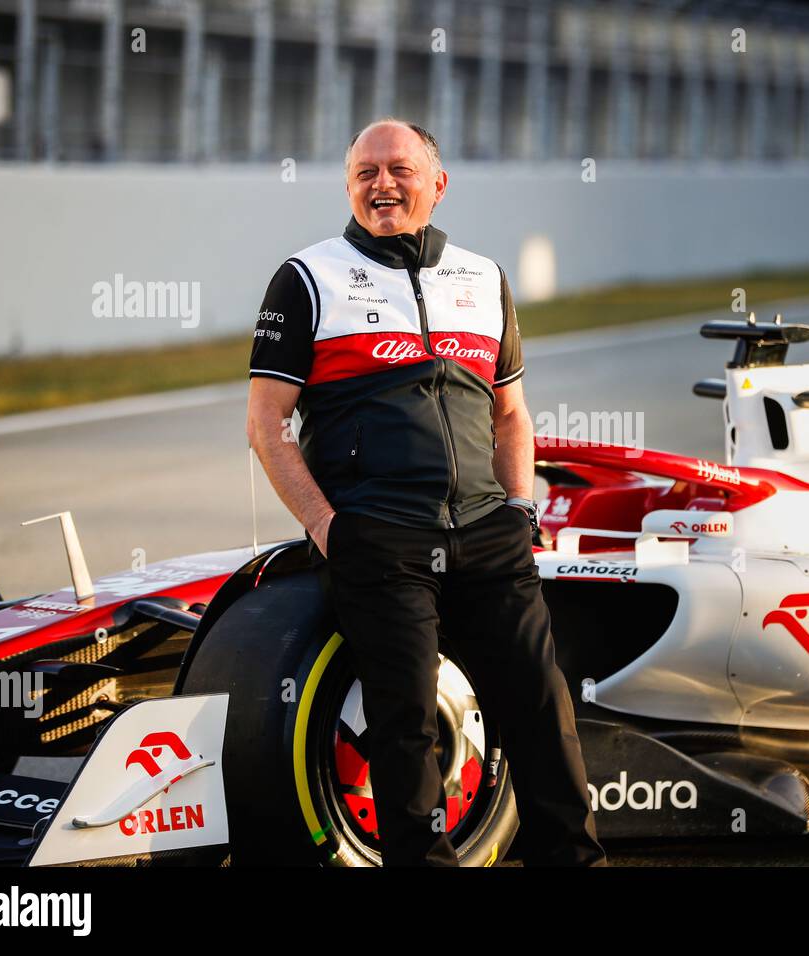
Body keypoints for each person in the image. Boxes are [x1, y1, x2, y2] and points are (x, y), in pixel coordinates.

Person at [245, 118, 606, 867]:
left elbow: (511, 415)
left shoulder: (484, 278)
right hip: (379, 538)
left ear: (437, 185)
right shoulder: (306, 278)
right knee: (405, 726)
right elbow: (265, 424)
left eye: (399, 169)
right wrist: (328, 529)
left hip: (488, 534)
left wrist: (520, 511)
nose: (382, 184)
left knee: (544, 710)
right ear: (349, 187)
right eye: (365, 173)